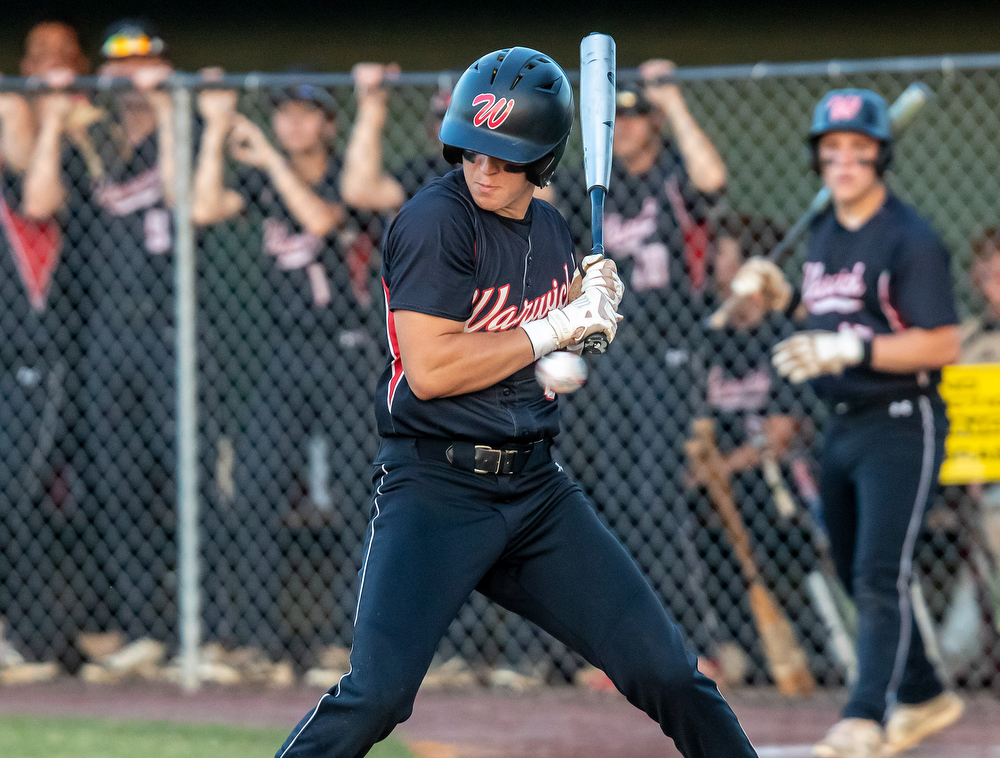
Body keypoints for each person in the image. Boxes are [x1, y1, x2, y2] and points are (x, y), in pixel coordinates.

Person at [273, 46, 757, 758]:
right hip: (436, 489)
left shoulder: (554, 230)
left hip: (535, 491)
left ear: (542, 161)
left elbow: (538, 346)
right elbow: (434, 369)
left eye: (505, 157)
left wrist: (588, 312)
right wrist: (555, 326)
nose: (485, 170)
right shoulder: (433, 223)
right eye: (473, 152)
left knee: (669, 674)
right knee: (376, 694)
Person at [723, 88, 964, 758]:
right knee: (857, 565)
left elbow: (940, 342)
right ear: (819, 162)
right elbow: (828, 315)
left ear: (881, 158)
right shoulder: (827, 231)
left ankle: (866, 713)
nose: (846, 165)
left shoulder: (909, 238)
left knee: (880, 573)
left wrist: (854, 349)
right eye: (833, 153)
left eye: (860, 152)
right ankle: (924, 693)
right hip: (841, 423)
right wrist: (784, 296)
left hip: (900, 419)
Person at [192, 74, 382, 664]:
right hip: (284, 352)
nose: (292, 124)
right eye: (283, 114)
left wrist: (270, 159)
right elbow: (201, 208)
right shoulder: (265, 178)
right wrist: (217, 129)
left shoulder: (349, 176)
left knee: (357, 495)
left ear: (329, 123)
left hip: (347, 350)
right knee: (253, 488)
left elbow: (322, 221)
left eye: (306, 114)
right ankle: (256, 638)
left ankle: (356, 639)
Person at [0, 19, 91, 671]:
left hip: (42, 356)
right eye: (39, 61)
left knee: (20, 493)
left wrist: (51, 114)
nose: (49, 72)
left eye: (63, 61)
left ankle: (34, 639)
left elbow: (34, 188)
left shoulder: (77, 141)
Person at [339, 61, 452, 212]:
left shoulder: (493, 171)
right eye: (445, 117)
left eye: (467, 117)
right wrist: (372, 103)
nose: (454, 127)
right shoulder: (425, 171)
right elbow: (359, 191)